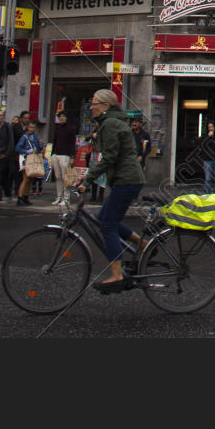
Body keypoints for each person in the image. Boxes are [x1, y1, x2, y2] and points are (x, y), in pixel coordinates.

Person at [86, 89, 146, 291]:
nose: (91, 107)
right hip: (128, 178)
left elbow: (110, 157)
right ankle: (143, 244)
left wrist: (88, 179)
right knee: (103, 218)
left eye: (94, 103)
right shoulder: (113, 122)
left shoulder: (110, 124)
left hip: (126, 179)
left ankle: (116, 275)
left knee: (107, 226)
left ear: (106, 106)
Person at [50, 117, 77, 205]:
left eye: (63, 116)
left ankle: (66, 198)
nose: (61, 118)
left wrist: (72, 156)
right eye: (60, 116)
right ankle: (59, 197)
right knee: (58, 177)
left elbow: (73, 143)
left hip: (65, 155)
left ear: (66, 118)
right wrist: (52, 154)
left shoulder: (71, 128)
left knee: (65, 177)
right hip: (56, 154)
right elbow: (54, 140)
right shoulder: (57, 128)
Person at [15, 120, 42, 206]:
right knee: (25, 179)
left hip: (32, 159)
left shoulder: (35, 137)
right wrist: (28, 151)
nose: (32, 129)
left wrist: (39, 147)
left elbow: (38, 148)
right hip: (26, 159)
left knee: (30, 179)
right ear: (28, 128)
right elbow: (18, 148)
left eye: (34, 127)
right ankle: (20, 198)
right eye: (31, 127)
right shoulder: (24, 137)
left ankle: (26, 197)